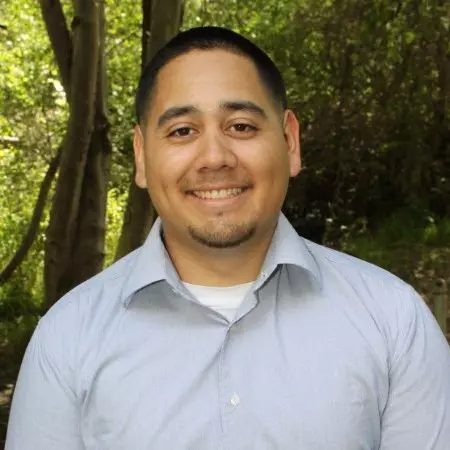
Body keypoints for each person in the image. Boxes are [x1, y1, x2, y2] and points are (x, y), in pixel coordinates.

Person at [6, 26, 450, 450]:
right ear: (141, 156)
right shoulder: (67, 337)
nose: (215, 157)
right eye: (182, 131)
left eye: (241, 126)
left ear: (290, 141)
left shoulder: (394, 322)